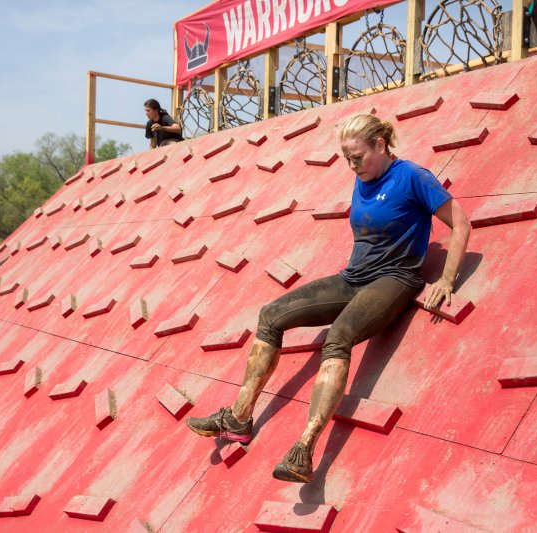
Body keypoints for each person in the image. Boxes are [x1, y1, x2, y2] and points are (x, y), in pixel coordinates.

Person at [185, 114, 472, 483]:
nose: (352, 165)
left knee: (338, 337)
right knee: (271, 314)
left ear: (381, 146)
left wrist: (447, 279)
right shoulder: (361, 177)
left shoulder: (412, 177)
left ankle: (304, 449)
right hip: (353, 278)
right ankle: (239, 417)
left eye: (358, 156)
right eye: (346, 158)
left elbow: (461, 222)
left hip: (395, 280)